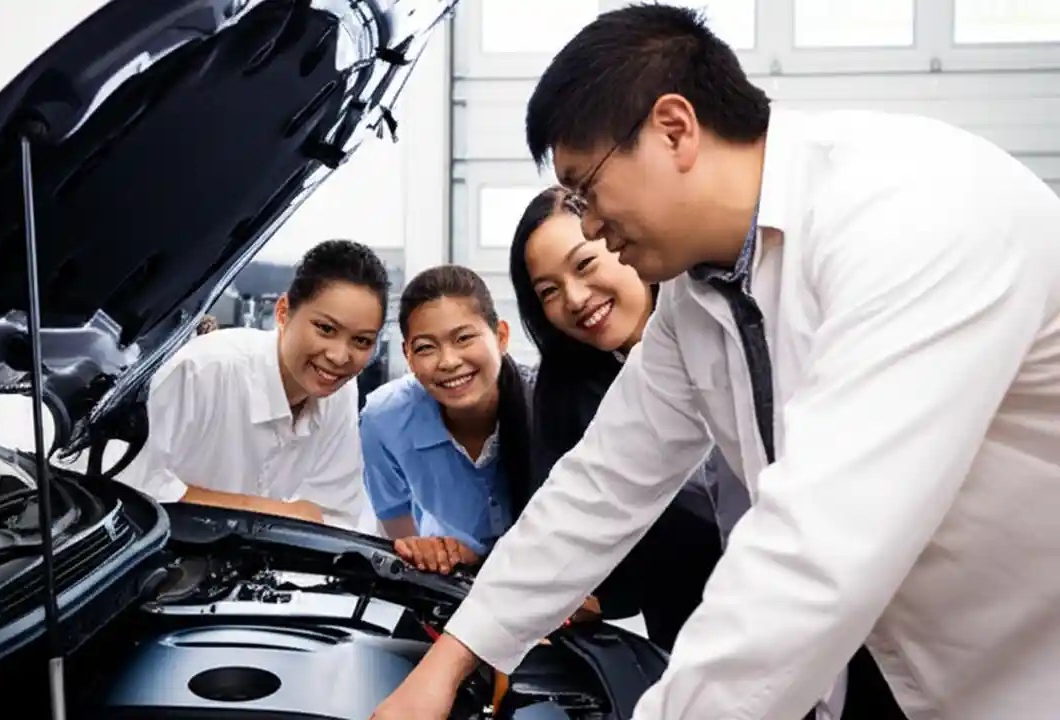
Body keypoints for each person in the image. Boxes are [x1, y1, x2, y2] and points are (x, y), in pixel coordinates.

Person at [373, 5, 1060, 720]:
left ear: (674, 129)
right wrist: (451, 662)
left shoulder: (912, 214)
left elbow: (817, 550)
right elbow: (603, 482)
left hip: (1014, 673)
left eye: (586, 190)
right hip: (866, 664)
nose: (590, 224)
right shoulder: (696, 296)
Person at [509, 185, 747, 651]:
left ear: (619, 243)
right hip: (686, 640)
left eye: (584, 265)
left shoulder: (723, 325)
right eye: (549, 291)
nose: (575, 298)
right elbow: (577, 536)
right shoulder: (563, 396)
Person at [118, 239, 389, 530]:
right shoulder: (199, 371)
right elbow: (125, 489)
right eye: (325, 329)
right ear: (283, 311)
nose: (339, 357)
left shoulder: (340, 391)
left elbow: (334, 514)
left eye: (361, 341)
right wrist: (272, 512)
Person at [358, 265, 534, 574]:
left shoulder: (547, 404)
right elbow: (400, 531)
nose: (449, 362)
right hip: (446, 583)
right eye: (426, 348)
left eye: (464, 338)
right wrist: (426, 552)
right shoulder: (383, 420)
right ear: (408, 356)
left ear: (501, 336)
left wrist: (481, 559)